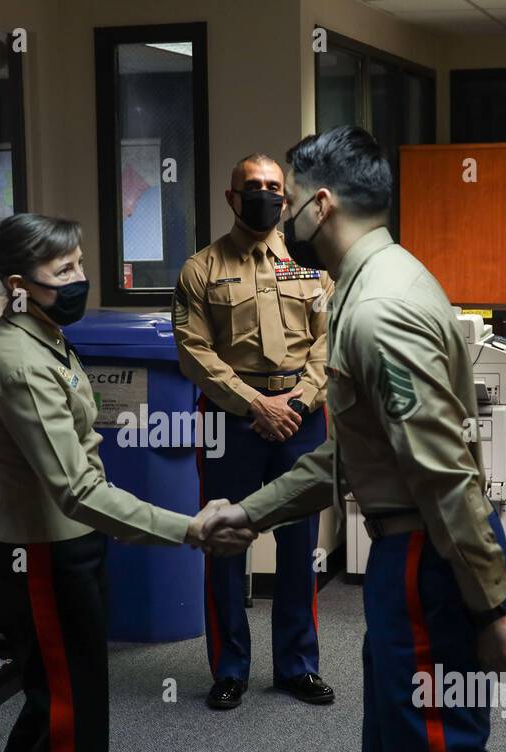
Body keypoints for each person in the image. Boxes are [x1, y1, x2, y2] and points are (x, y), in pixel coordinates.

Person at [203, 127, 506, 752]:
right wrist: (249, 513)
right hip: (409, 557)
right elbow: (351, 453)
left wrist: (490, 609)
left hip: (427, 559)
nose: (280, 214)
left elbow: (443, 474)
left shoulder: (379, 309)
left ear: (321, 204)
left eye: (288, 200)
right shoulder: (375, 282)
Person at [0, 213, 253, 752]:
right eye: (62, 270)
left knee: (54, 701)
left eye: (78, 264)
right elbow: (76, 489)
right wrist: (185, 528)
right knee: (74, 717)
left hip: (67, 548)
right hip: (43, 558)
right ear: (19, 284)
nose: (78, 279)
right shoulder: (17, 361)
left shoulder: (44, 333)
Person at [174, 153, 335, 711]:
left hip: (301, 416)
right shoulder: (201, 269)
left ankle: (297, 665)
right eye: (253, 186)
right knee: (224, 542)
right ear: (231, 197)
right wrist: (254, 405)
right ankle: (230, 669)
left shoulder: (313, 267)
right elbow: (194, 351)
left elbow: (327, 340)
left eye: (273, 187)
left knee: (299, 544)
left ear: (285, 199)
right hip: (231, 420)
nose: (264, 195)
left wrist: (300, 399)